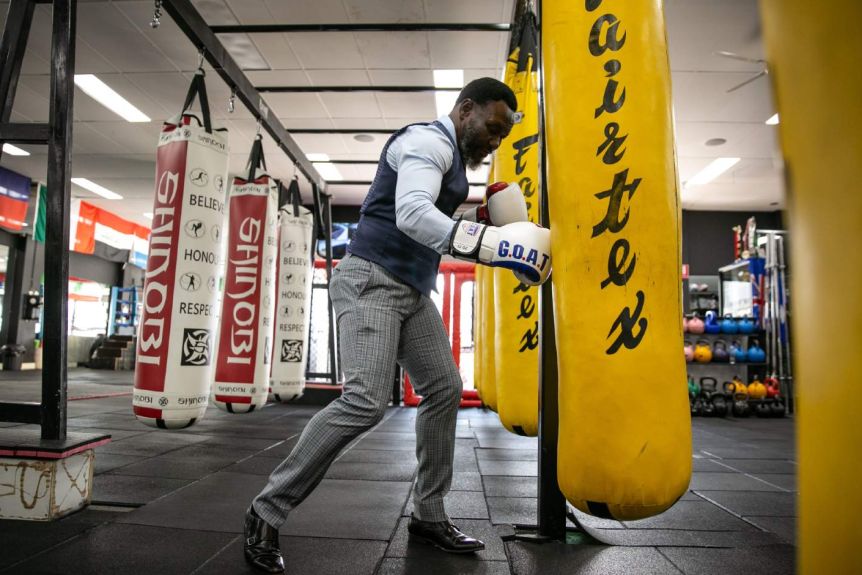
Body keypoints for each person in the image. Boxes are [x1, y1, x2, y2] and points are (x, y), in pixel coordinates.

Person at [243, 77, 552, 573]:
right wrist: (493, 246)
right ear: (465, 108)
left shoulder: (449, 158)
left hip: (410, 290)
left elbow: (433, 218)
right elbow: (410, 214)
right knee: (364, 402)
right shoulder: (426, 142)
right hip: (370, 280)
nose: (495, 141)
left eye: (502, 135)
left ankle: (428, 515)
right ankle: (265, 511)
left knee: (445, 388)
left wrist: (485, 221)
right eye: (492, 128)